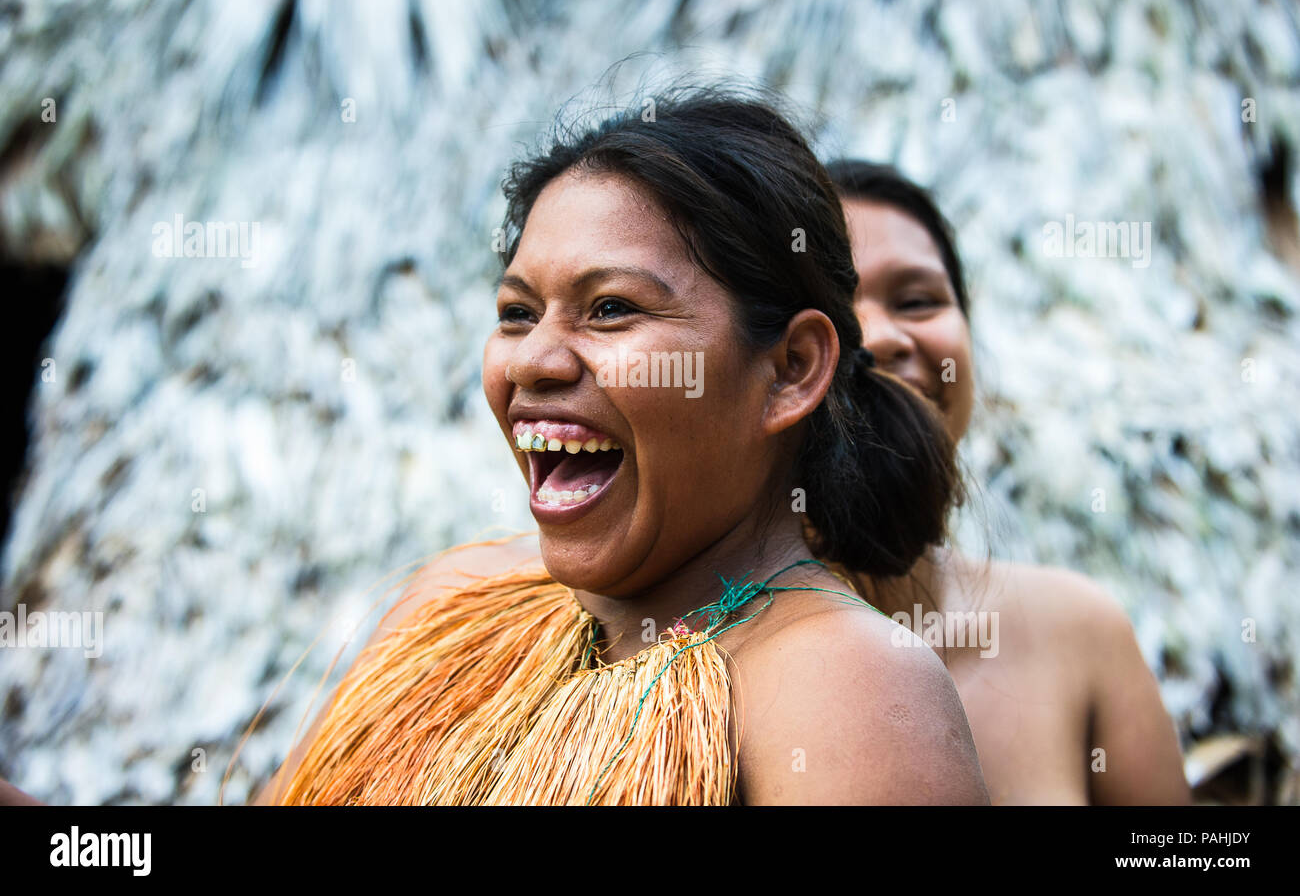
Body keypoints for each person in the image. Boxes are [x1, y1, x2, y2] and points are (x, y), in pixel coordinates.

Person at [254, 93, 990, 805]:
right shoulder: (444, 604)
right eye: (516, 312)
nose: (534, 359)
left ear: (790, 369)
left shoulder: (847, 688)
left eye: (611, 308)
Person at [826, 158, 1191, 805]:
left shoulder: (1079, 629)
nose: (881, 336)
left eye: (918, 300)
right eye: (834, 305)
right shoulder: (695, 671)